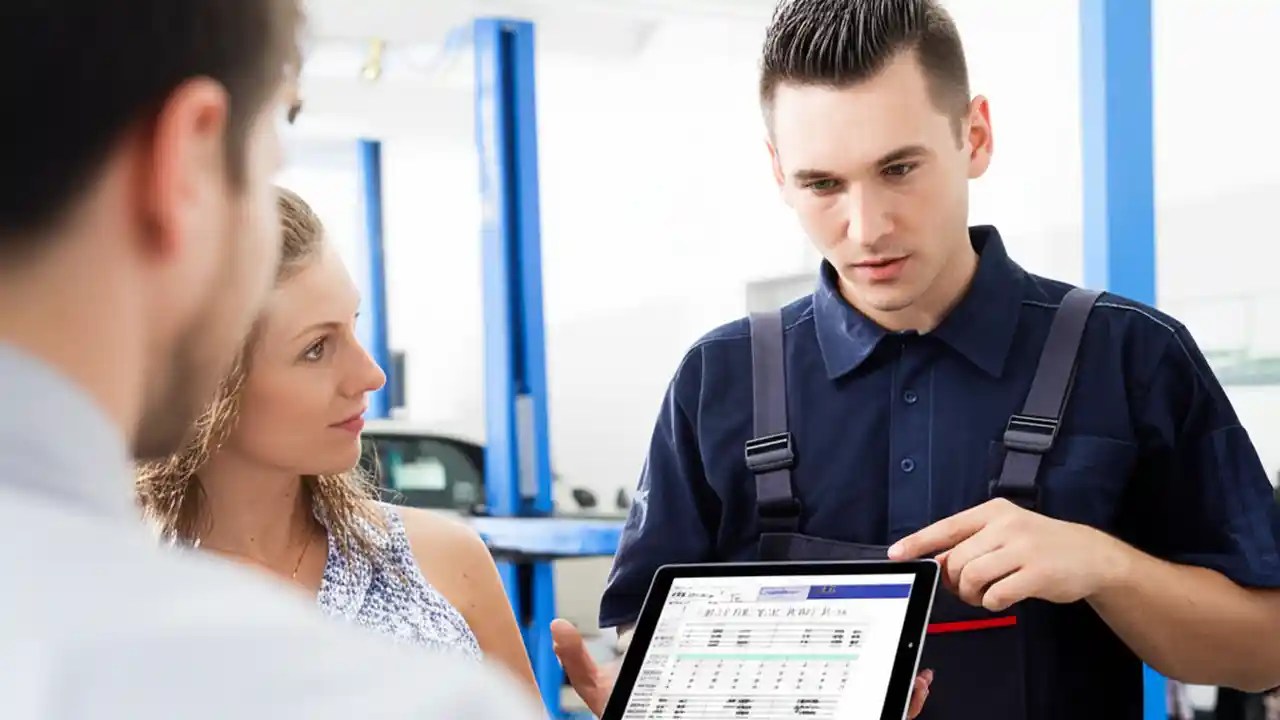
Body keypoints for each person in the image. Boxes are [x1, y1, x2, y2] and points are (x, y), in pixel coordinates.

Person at [553, 1, 1280, 718]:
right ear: (778, 172)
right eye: (823, 184)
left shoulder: (1132, 357)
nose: (867, 227)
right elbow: (644, 634)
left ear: (976, 136)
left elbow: (1264, 649)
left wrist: (1105, 564)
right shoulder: (717, 379)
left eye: (899, 168)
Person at [0, 3, 540, 718]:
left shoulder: (434, 562)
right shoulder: (414, 699)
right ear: (186, 162)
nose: (370, 376)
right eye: (268, 160)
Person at [136, 187, 539, 696]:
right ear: (208, 382)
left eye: (353, 326)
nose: (371, 375)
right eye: (316, 348)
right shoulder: (119, 601)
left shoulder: (445, 561)